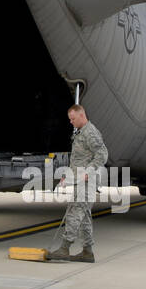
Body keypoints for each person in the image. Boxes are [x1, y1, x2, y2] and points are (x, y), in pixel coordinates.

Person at [47, 103, 108, 263]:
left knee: (75, 212)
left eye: (73, 119)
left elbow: (102, 154)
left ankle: (64, 248)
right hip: (80, 181)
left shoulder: (90, 133)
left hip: (87, 183)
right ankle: (87, 252)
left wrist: (89, 170)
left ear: (81, 115)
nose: (71, 122)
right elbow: (77, 159)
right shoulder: (81, 133)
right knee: (84, 216)